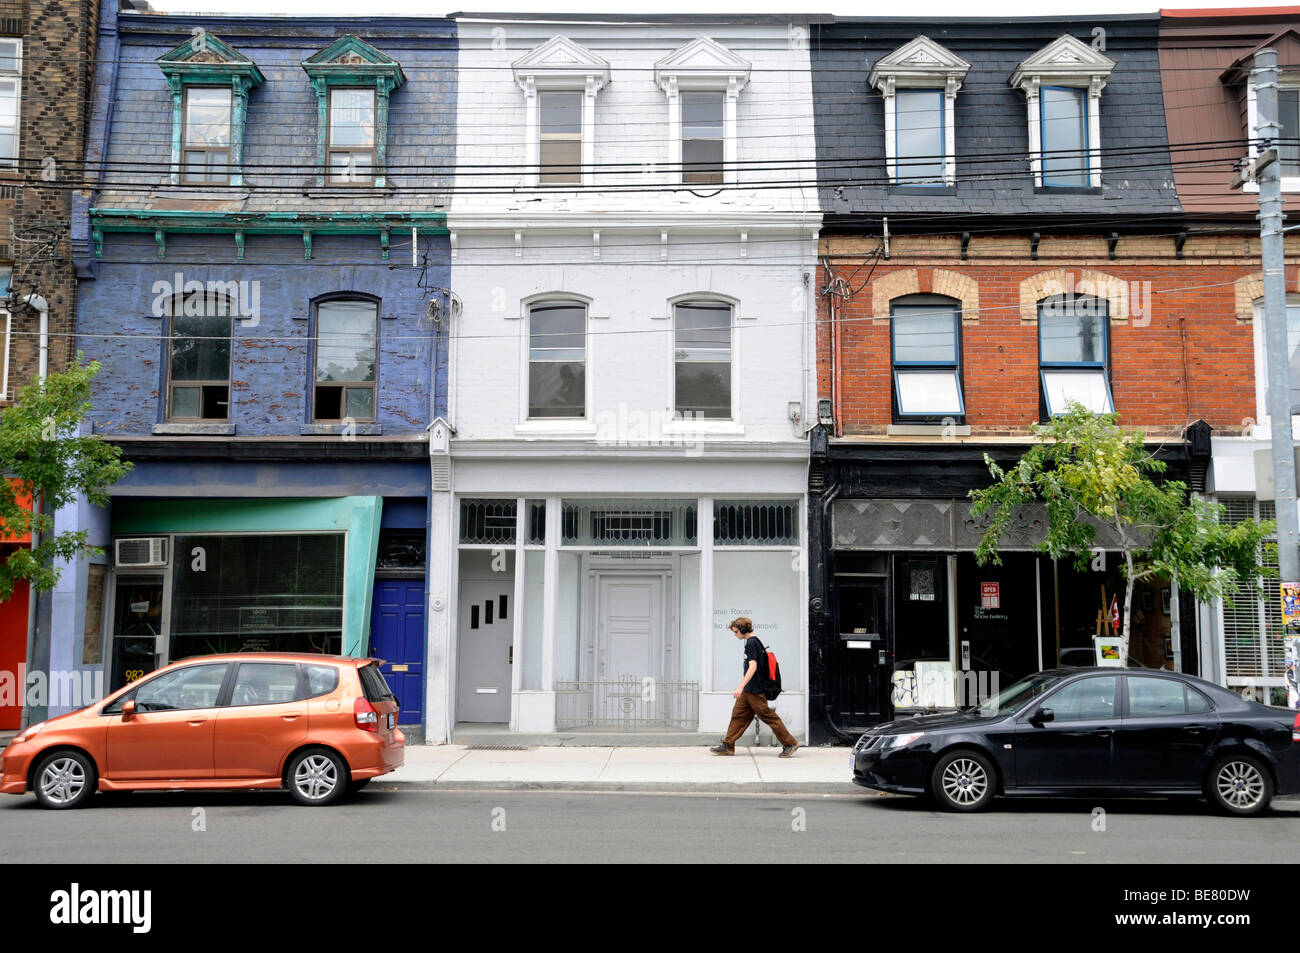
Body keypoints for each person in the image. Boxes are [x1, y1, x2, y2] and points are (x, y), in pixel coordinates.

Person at [710, 617, 799, 757]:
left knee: (768, 716)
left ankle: (790, 743)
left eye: (736, 631)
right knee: (738, 715)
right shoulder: (754, 642)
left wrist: (740, 687)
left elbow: (753, 667)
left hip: (755, 690)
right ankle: (728, 746)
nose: (735, 634)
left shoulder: (752, 643)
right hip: (749, 690)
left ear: (743, 630)